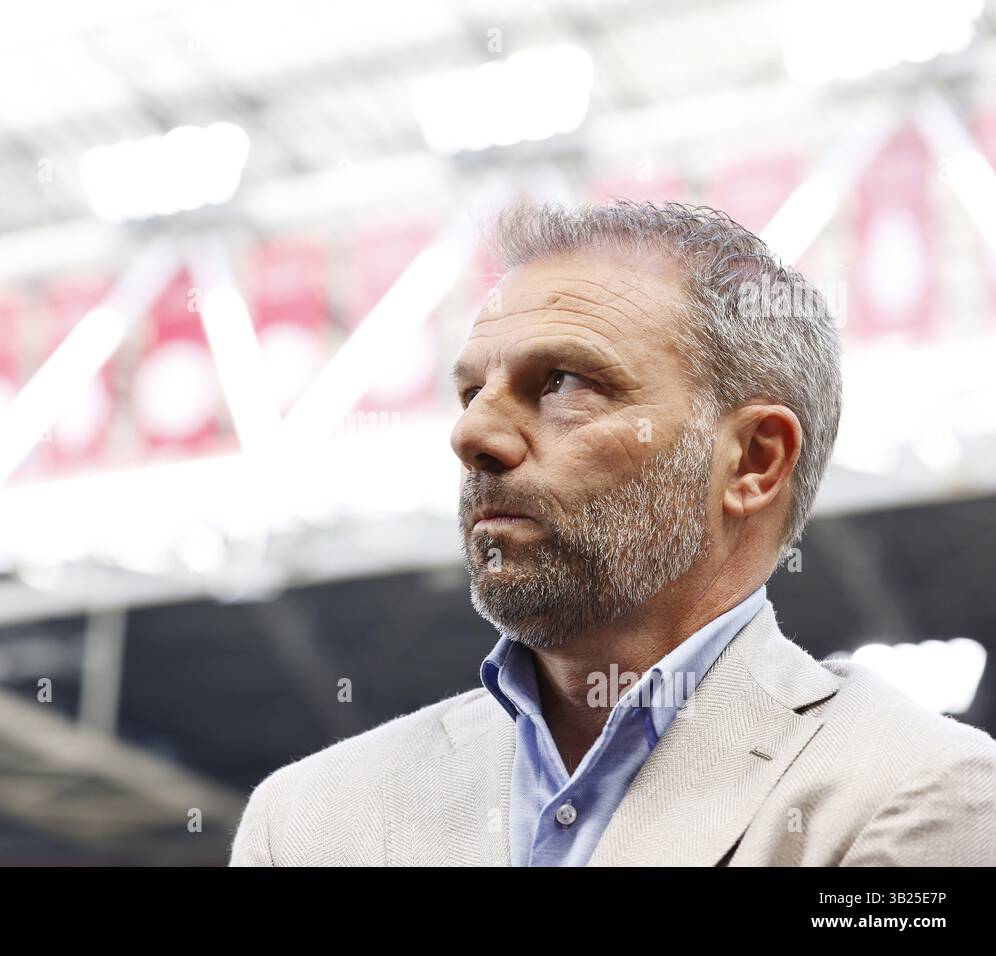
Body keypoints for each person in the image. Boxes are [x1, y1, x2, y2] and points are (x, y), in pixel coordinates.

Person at [229, 200, 996, 866]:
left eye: (562, 382)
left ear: (754, 461)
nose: (473, 433)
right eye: (470, 390)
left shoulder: (917, 796)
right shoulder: (305, 822)